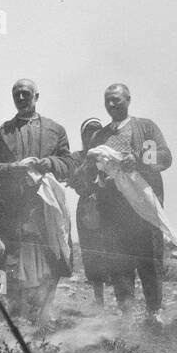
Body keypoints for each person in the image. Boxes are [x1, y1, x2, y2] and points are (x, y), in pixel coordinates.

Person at [0, 79, 75, 323]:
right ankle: (7, 308)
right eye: (16, 95)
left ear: (36, 96)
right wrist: (12, 168)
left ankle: (44, 311)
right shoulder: (3, 131)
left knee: (48, 257)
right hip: (12, 208)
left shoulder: (56, 130)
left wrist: (51, 163)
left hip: (44, 208)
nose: (21, 98)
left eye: (25, 93)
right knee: (7, 258)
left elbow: (69, 164)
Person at [86, 84, 171, 324]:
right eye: (107, 101)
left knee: (149, 259)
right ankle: (126, 314)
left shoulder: (145, 128)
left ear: (128, 100)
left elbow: (164, 156)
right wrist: (97, 173)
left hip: (142, 208)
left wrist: (139, 160)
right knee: (118, 261)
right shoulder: (99, 136)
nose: (111, 105)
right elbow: (89, 170)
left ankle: (154, 312)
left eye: (116, 100)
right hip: (113, 209)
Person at [67, 117, 108, 305]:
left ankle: (123, 301)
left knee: (113, 250)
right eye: (89, 132)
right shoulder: (77, 157)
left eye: (97, 131)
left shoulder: (107, 153)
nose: (93, 135)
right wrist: (88, 162)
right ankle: (99, 299)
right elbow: (72, 180)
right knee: (92, 253)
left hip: (110, 206)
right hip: (87, 208)